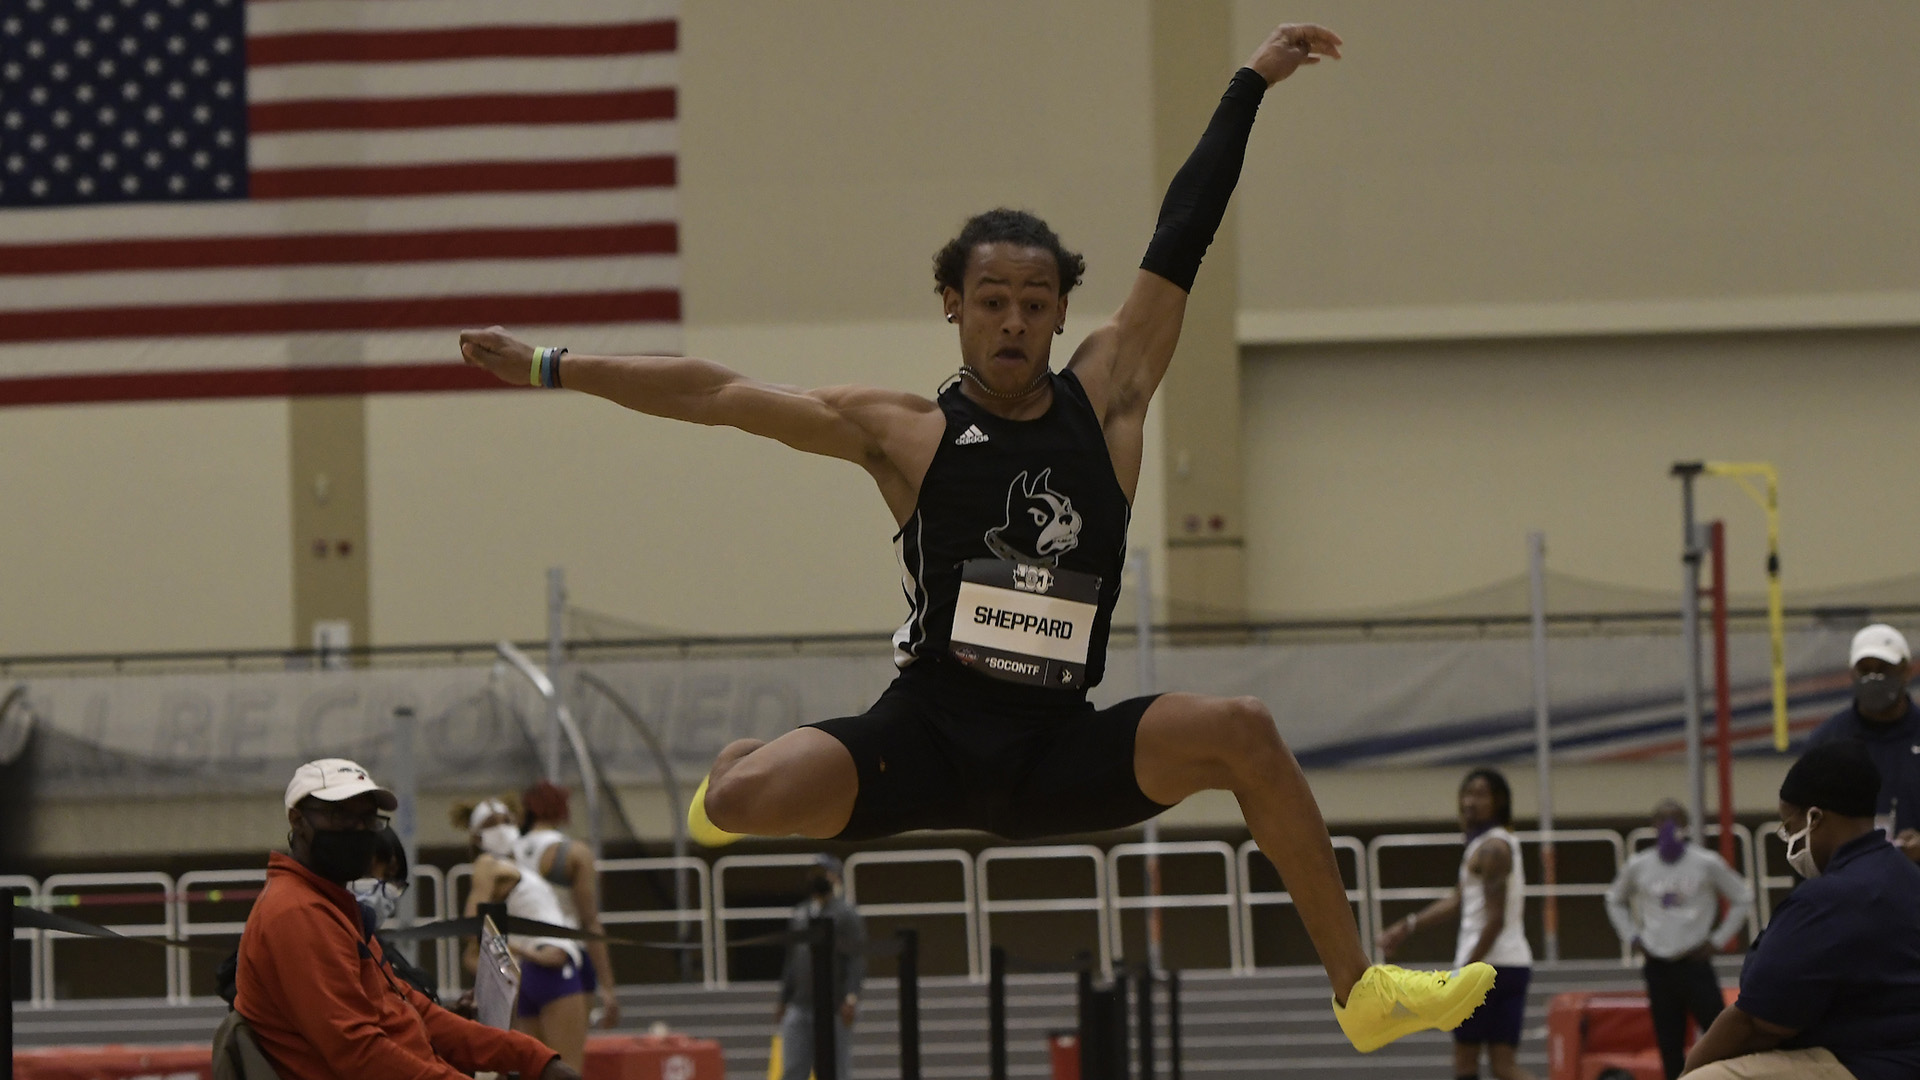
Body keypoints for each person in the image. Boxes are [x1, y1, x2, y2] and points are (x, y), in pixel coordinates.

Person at [459, 19, 1492, 1053]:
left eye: (1034, 305)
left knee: (1246, 729)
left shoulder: (1113, 392)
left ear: (1058, 314)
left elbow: (1183, 235)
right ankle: (738, 763)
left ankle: (1361, 991)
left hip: (1060, 744)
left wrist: (1249, 85)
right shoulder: (907, 432)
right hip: (931, 738)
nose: (1012, 321)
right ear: (952, 306)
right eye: (991, 301)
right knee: (739, 796)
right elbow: (720, 394)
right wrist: (552, 362)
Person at [235, 759, 576, 1080]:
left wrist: (535, 1060)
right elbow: (358, 1053)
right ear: (298, 821)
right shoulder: (298, 914)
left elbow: (413, 1011)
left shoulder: (332, 906)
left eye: (368, 819)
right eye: (340, 816)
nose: (358, 830)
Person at [1681, 740, 1920, 1079]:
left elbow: (1756, 1022)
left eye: (1789, 827)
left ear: (1815, 818)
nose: (1790, 840)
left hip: (1863, 1063)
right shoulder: (1908, 877)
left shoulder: (1828, 899)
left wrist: (1689, 1071)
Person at [1376, 768, 1535, 1080]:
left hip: (1488, 967)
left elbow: (1496, 919)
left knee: (1466, 1063)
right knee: (1504, 1068)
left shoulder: (1493, 848)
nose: (1469, 801)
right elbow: (1457, 900)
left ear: (1499, 801)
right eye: (1466, 793)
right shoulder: (1487, 845)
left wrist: (1466, 972)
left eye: (1479, 794)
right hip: (1510, 964)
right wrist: (1406, 926)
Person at [1605, 799, 1754, 1080]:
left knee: (1718, 1035)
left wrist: (1717, 940)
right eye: (1662, 820)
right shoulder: (1639, 865)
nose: (1668, 826)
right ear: (1653, 826)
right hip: (1658, 965)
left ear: (1686, 826)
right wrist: (1633, 937)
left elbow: (1742, 897)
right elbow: (1614, 899)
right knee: (1669, 1042)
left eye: (1675, 820)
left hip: (1695, 963)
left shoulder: (1706, 862)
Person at [456, 797, 593, 1072]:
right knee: (567, 1071)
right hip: (550, 964)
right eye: (491, 823)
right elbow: (473, 927)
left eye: (506, 820)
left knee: (532, 1070)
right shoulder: (487, 864)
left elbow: (472, 953)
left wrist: (513, 956)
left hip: (531, 972)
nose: (502, 827)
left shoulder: (517, 865)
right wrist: (520, 951)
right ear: (476, 836)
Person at [1806, 624, 1920, 863]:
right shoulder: (1827, 742)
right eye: (1865, 669)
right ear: (1852, 673)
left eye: (1884, 668)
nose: (1874, 678)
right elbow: (1806, 826)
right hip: (1851, 886)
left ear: (1906, 671)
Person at [515, 781, 621, 1029]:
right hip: (565, 955)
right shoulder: (575, 853)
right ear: (562, 811)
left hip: (521, 958)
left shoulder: (506, 855)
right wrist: (608, 987)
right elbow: (590, 921)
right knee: (567, 1063)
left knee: (530, 1063)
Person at [773, 855, 867, 1080]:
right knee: (793, 1069)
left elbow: (857, 958)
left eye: (822, 873)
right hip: (800, 1004)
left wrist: (851, 997)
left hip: (833, 1006)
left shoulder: (846, 914)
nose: (816, 878)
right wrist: (783, 998)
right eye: (813, 873)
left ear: (834, 877)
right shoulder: (800, 913)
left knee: (835, 1069)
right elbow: (792, 959)